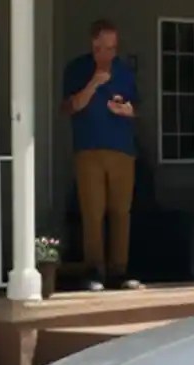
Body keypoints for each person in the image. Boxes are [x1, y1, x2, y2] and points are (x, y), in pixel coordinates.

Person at [61, 18, 142, 291]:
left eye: (111, 48)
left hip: (122, 149)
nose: (107, 54)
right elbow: (69, 107)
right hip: (88, 149)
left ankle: (119, 271)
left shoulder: (125, 72)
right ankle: (94, 270)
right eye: (101, 48)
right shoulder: (77, 69)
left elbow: (136, 107)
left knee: (121, 211)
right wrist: (94, 83)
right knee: (92, 212)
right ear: (92, 45)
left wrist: (127, 110)